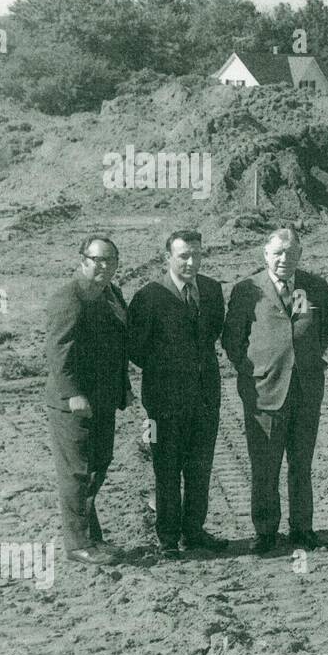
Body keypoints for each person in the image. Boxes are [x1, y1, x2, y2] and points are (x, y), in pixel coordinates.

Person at [222, 228, 328, 554]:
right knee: (265, 467)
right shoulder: (247, 290)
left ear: (300, 254)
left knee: (302, 465)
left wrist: (306, 360)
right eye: (277, 253)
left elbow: (324, 329)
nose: (284, 259)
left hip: (306, 390)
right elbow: (233, 340)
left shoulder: (315, 286)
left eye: (290, 252)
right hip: (264, 392)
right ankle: (266, 532)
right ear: (265, 255)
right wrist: (255, 371)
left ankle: (302, 530)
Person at [128, 230, 228, 558]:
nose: (191, 262)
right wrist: (170, 370)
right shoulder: (149, 296)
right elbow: (137, 350)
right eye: (183, 255)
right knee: (167, 470)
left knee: (200, 468)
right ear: (167, 258)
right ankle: (168, 538)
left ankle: (194, 531)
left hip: (204, 397)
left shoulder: (212, 290)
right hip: (164, 403)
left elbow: (212, 333)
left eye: (197, 255)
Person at [45, 234, 133, 565]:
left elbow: (117, 346)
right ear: (83, 260)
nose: (105, 266)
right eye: (98, 260)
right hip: (75, 403)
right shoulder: (69, 298)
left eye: (111, 260)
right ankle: (78, 544)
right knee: (77, 472)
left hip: (104, 398)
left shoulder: (112, 294)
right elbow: (59, 351)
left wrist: (122, 385)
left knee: (98, 465)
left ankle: (92, 538)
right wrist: (74, 394)